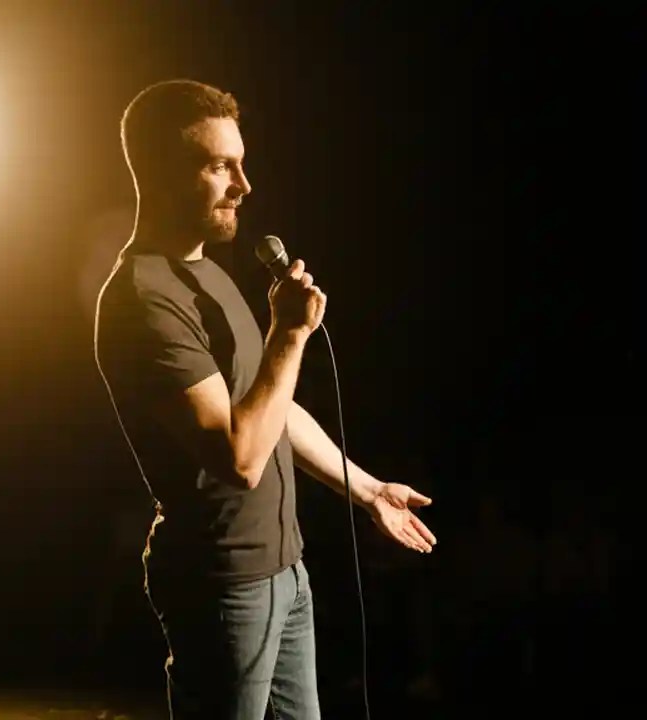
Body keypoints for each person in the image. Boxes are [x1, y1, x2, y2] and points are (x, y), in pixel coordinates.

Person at [93, 78, 438, 719]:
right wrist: (289, 333)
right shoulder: (144, 302)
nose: (243, 185)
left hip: (285, 571)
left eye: (242, 163)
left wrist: (368, 491)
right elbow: (240, 456)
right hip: (224, 586)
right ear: (161, 172)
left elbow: (270, 409)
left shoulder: (206, 273)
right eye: (220, 165)